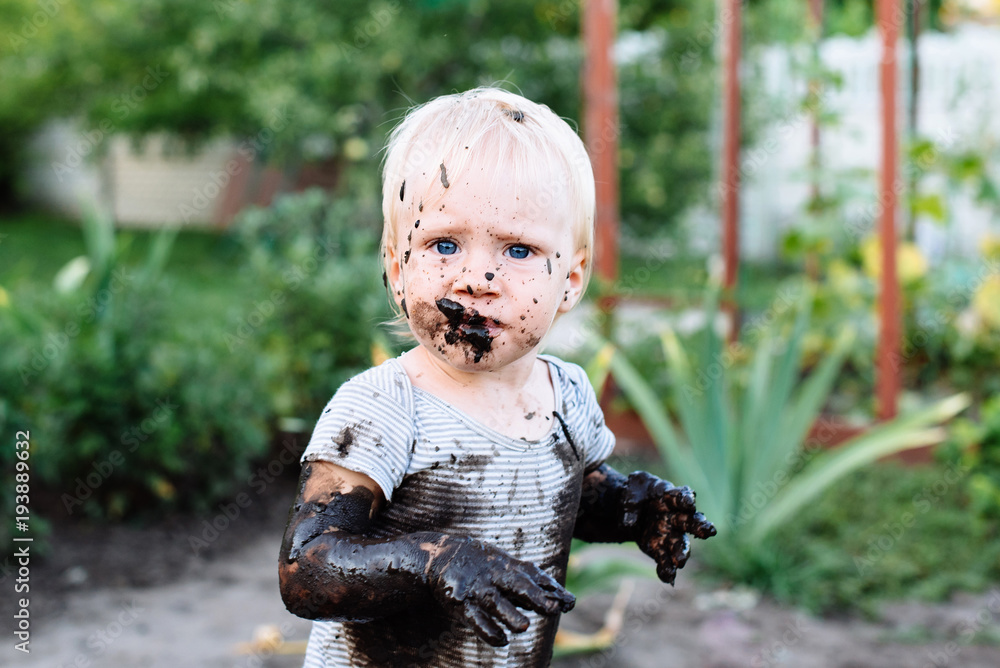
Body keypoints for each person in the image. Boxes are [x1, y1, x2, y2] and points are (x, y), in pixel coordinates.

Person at [278, 87, 716, 668]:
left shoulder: (566, 397)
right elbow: (306, 569)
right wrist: (434, 561)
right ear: (397, 266)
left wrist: (635, 508)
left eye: (517, 250)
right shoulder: (383, 408)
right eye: (445, 243)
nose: (476, 277)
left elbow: (568, 499)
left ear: (572, 278)